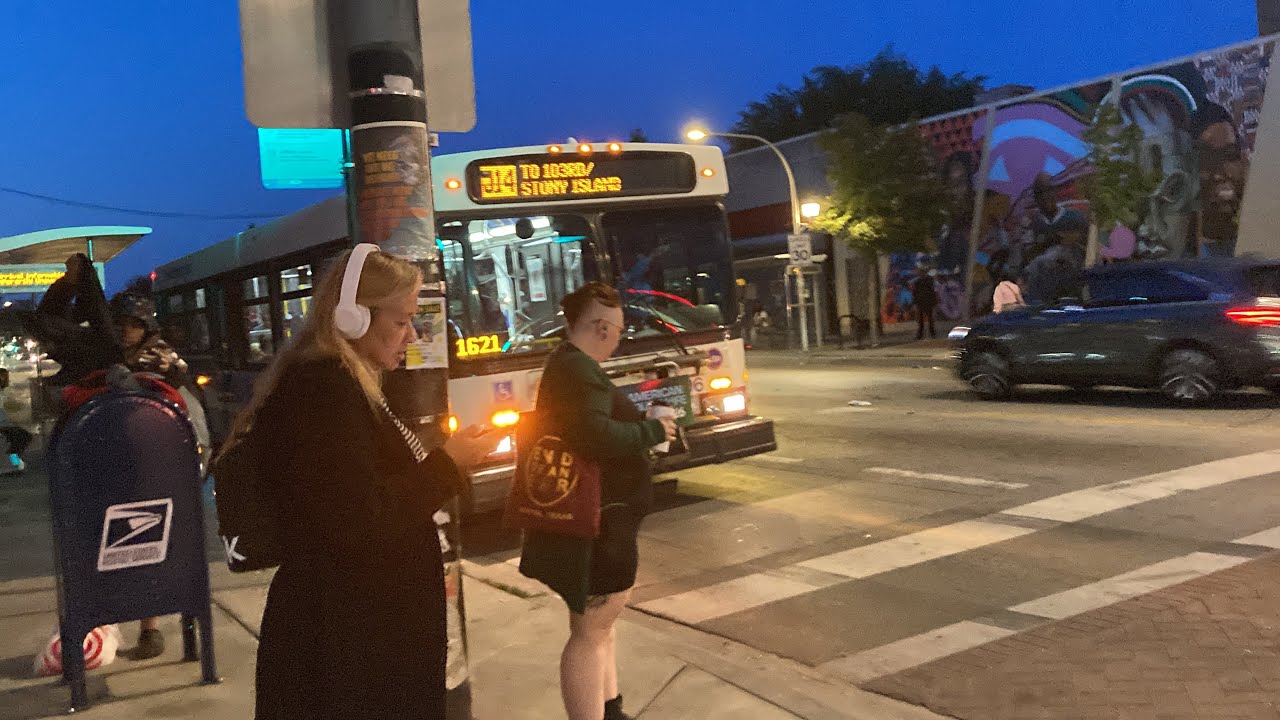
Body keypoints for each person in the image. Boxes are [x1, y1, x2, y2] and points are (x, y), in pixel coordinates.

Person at [238, 245, 496, 719]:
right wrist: (448, 465)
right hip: (348, 652)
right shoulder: (324, 393)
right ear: (354, 317)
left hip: (362, 639)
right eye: (401, 322)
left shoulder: (344, 386)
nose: (412, 335)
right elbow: (363, 519)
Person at [518, 282, 677, 720]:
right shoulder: (578, 370)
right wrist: (653, 431)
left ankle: (611, 709)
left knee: (597, 627)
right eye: (620, 330)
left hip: (602, 522)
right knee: (591, 630)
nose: (620, 338)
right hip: (598, 525)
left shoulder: (570, 366)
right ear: (602, 327)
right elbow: (594, 435)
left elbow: (589, 426)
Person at [911, 268, 938, 340]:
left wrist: (915, 302)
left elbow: (915, 293)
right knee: (925, 319)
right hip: (925, 302)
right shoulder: (927, 281)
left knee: (926, 319)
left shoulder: (919, 282)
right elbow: (915, 293)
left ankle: (925, 334)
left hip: (924, 301)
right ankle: (929, 333)